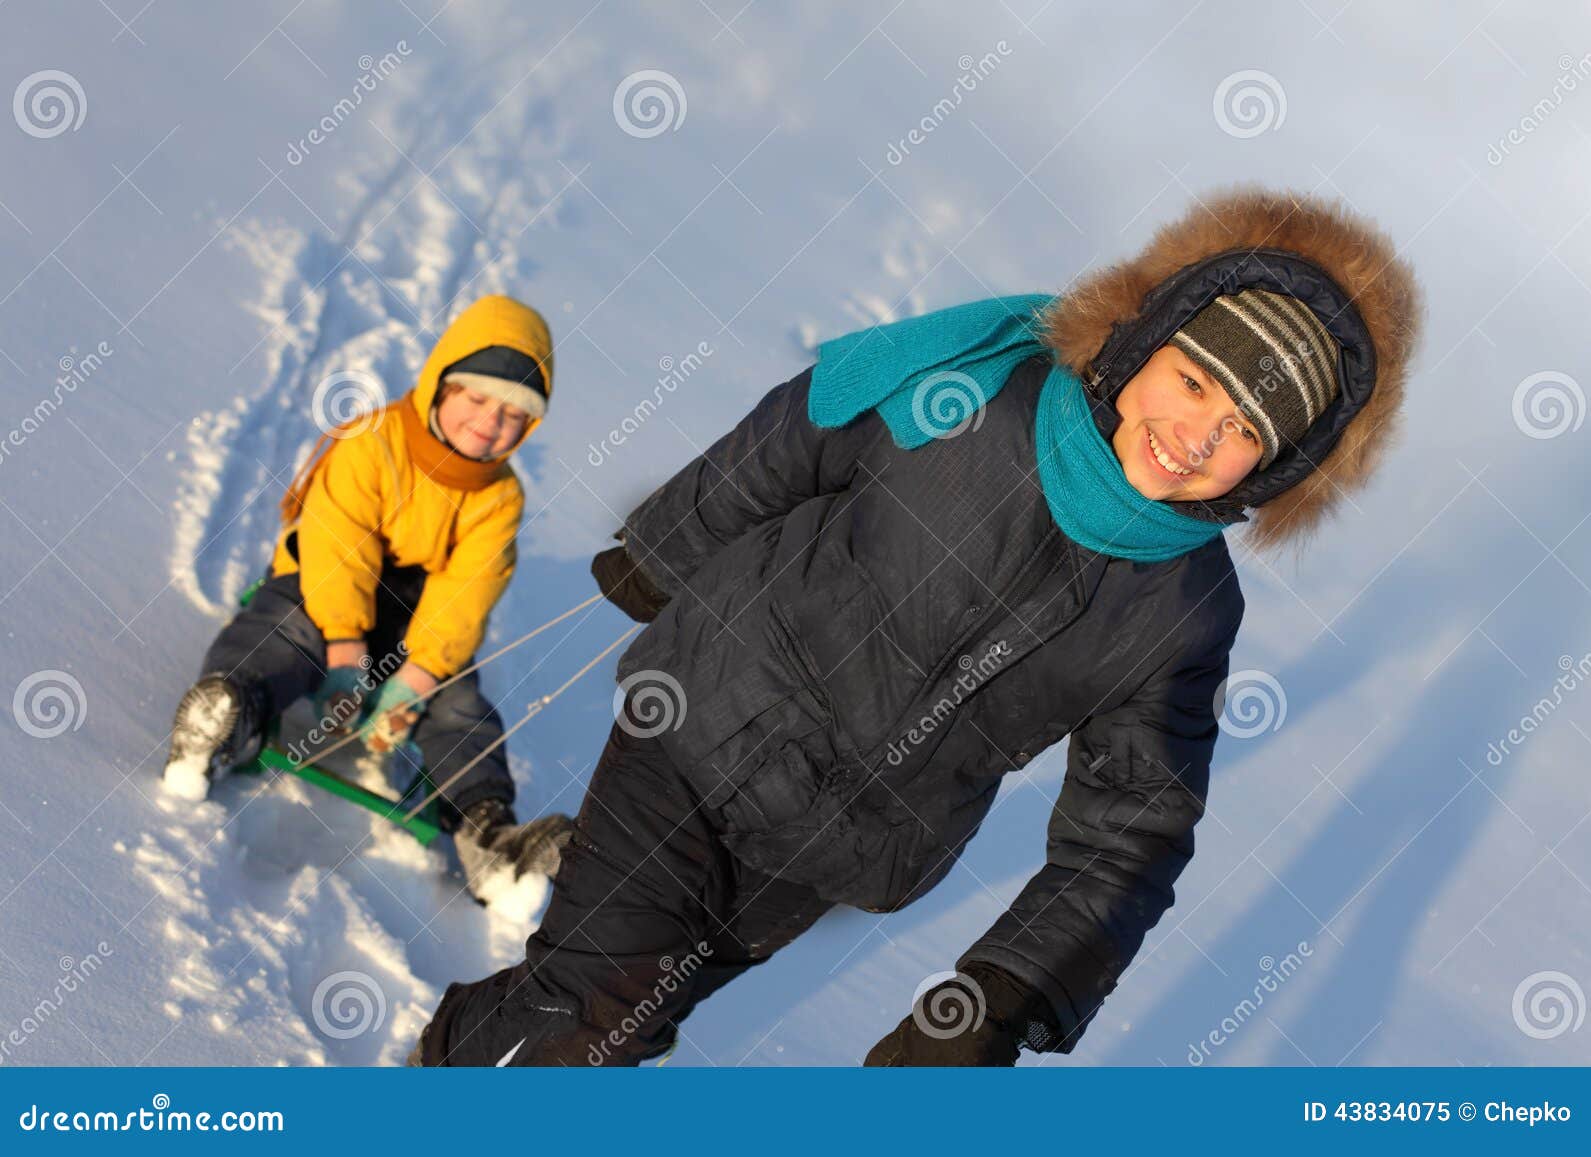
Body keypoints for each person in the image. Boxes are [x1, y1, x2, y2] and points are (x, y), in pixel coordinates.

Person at [411, 186, 1422, 1066]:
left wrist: (1000, 997)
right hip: (701, 718)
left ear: (1279, 466)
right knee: (590, 1013)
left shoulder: (1185, 611)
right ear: (1145, 337)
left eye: (1244, 429)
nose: (1196, 436)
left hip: (835, 848)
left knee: (631, 1012)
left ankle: (453, 1051)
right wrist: (668, 549)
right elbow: (801, 434)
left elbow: (1130, 829)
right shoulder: (984, 392)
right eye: (1195, 383)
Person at [161, 294, 575, 904]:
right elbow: (338, 540)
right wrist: (346, 645)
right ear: (440, 386)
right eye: (477, 399)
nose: (490, 423)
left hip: (414, 620)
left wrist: (419, 676)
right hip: (323, 590)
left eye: (513, 414)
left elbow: (468, 589)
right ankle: (228, 716)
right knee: (282, 633)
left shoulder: (499, 497)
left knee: (460, 705)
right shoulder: (373, 441)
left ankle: (489, 835)